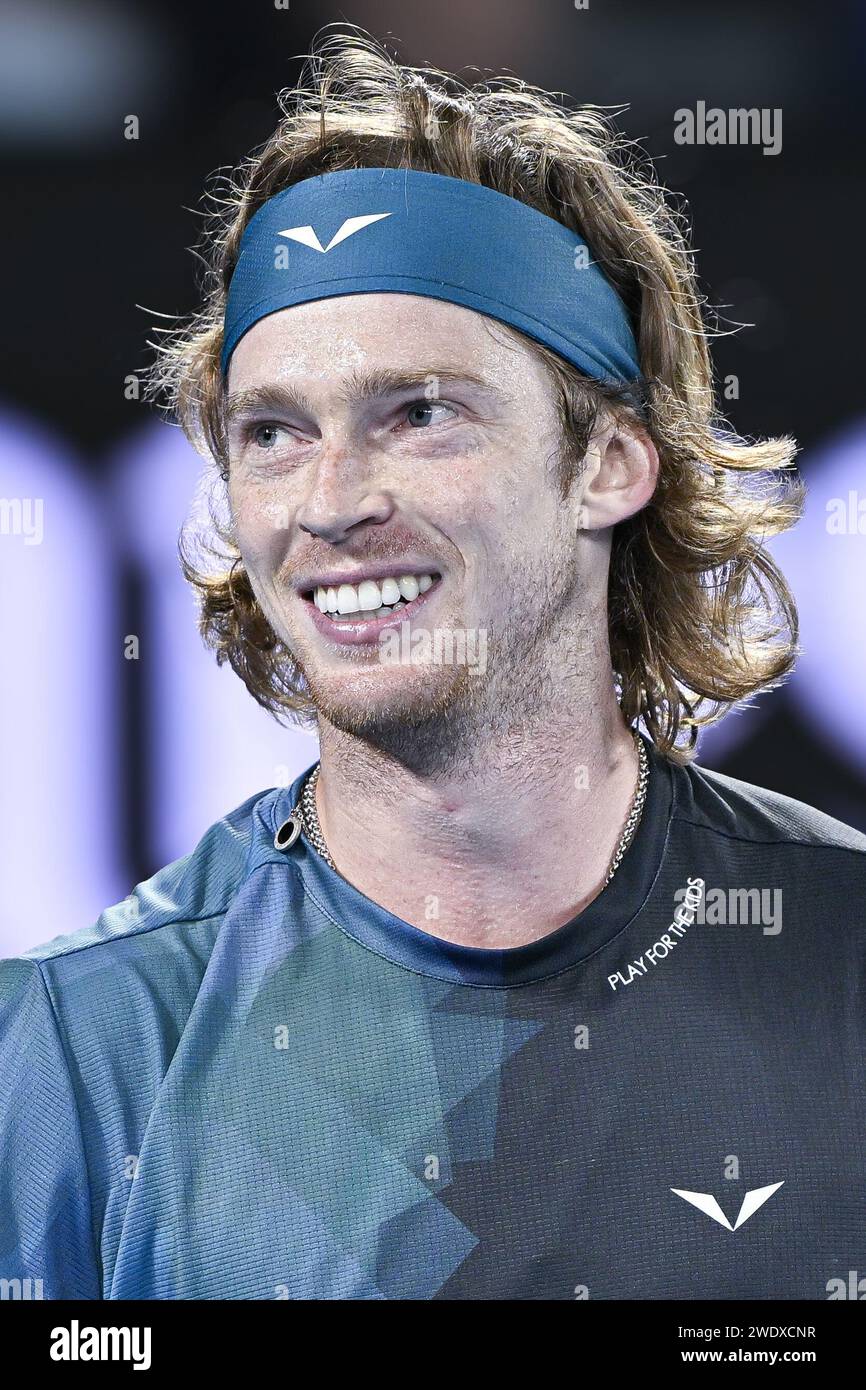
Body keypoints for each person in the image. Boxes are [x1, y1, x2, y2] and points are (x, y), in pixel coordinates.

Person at [2, 31, 864, 1302]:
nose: (331, 501)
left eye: (419, 413)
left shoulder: (842, 970)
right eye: (274, 434)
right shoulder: (79, 1049)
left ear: (608, 463)